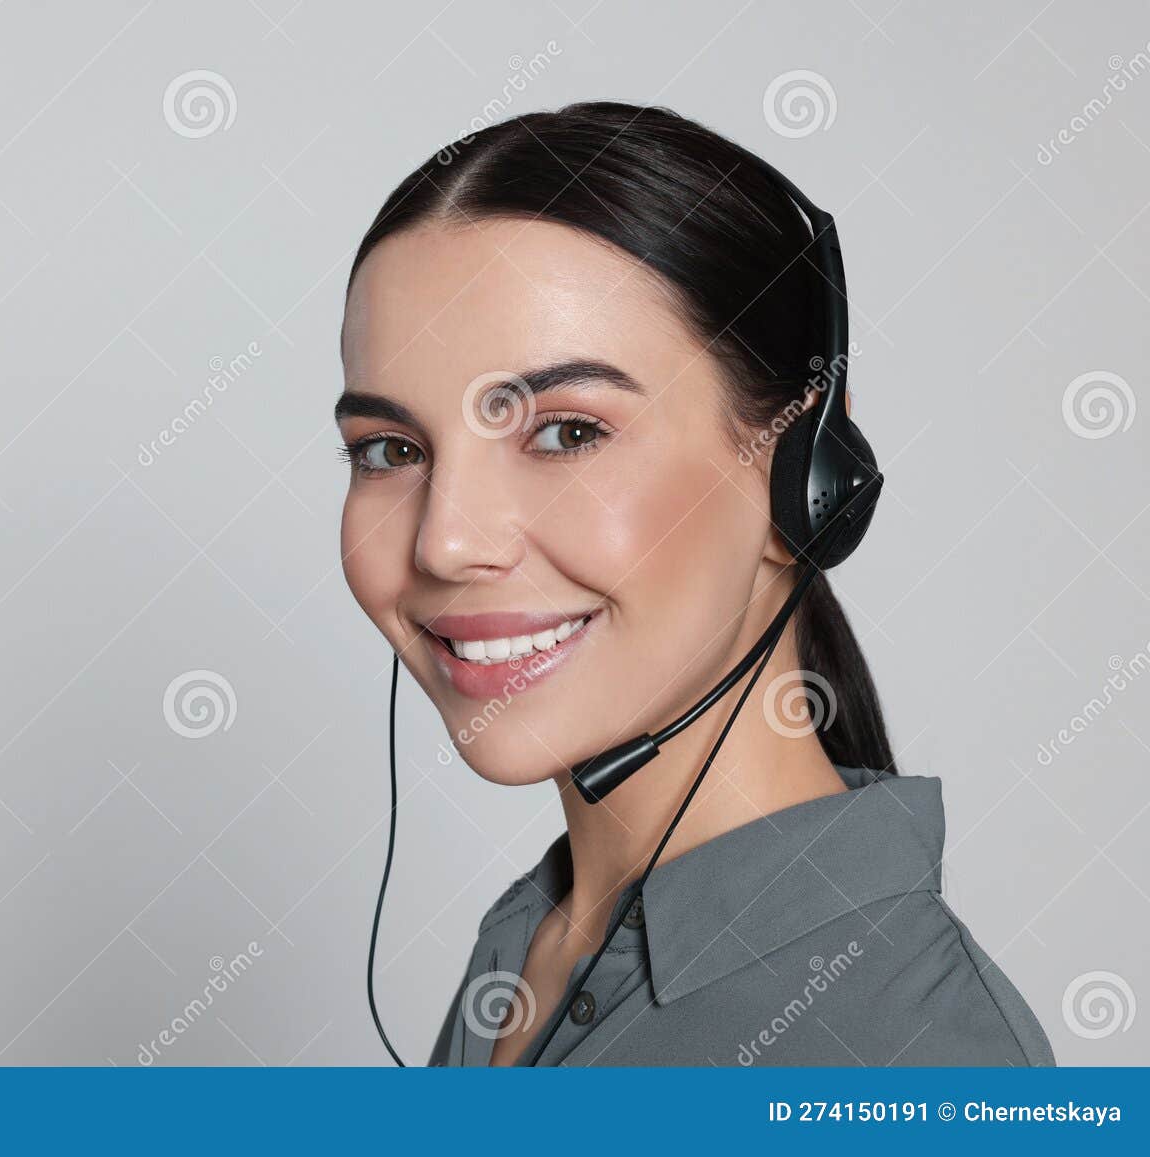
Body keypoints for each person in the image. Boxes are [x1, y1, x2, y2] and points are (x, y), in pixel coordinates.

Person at [334, 102, 1052, 1066]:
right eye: (391, 449)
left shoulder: (921, 1062)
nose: (446, 542)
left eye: (567, 432)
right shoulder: (534, 942)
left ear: (805, 476)